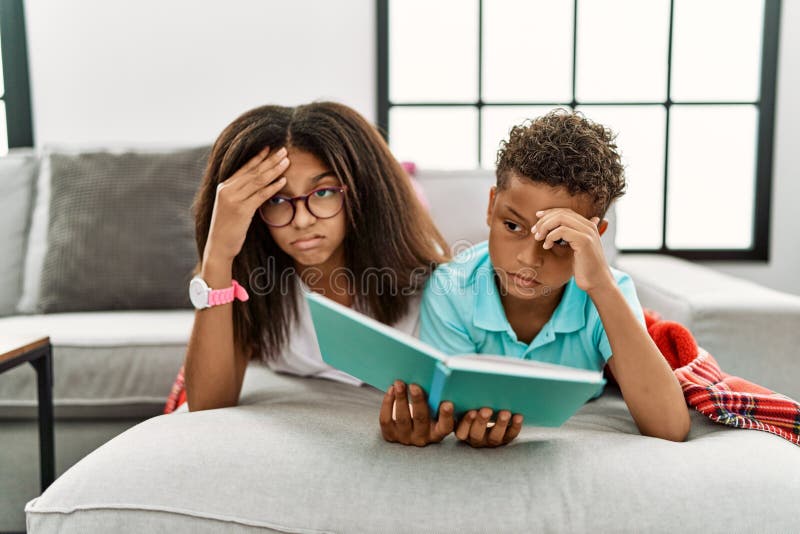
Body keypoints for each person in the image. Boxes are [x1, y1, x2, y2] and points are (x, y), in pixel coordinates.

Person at [380, 109, 691, 448]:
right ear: (491, 206)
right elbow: (451, 405)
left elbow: (670, 428)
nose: (528, 259)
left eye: (558, 240)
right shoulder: (451, 289)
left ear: (595, 235)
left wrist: (601, 286)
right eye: (512, 226)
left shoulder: (608, 292)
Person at [168, 102, 453, 431]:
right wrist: (218, 254)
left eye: (325, 192)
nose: (302, 220)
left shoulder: (425, 280)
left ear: (364, 193)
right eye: (276, 200)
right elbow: (208, 405)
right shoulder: (256, 274)